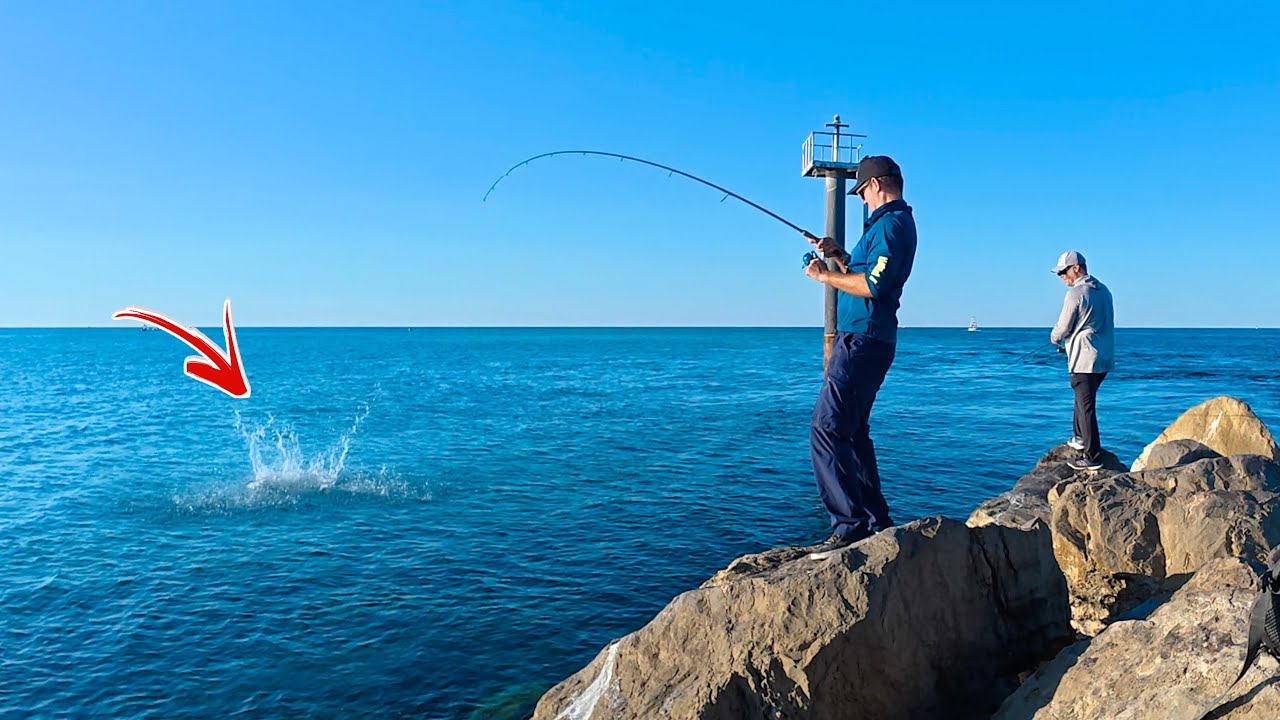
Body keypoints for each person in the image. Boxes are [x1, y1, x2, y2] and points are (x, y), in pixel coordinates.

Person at [802, 155, 917, 560]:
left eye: (862, 192)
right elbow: (868, 269)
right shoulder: (891, 226)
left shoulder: (889, 225)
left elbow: (873, 285)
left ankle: (849, 526)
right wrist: (838, 255)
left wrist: (823, 276)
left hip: (861, 340)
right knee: (852, 431)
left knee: (826, 429)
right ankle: (875, 520)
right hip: (873, 339)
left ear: (875, 186)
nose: (862, 200)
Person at [1049, 250, 1115, 471]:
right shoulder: (1104, 290)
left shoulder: (1076, 293)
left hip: (1084, 358)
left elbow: (1063, 326)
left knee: (1086, 405)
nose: (1061, 277)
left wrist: (1054, 337)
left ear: (1076, 267)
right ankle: (1078, 438)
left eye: (1063, 271)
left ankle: (1091, 456)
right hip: (1103, 357)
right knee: (1082, 398)